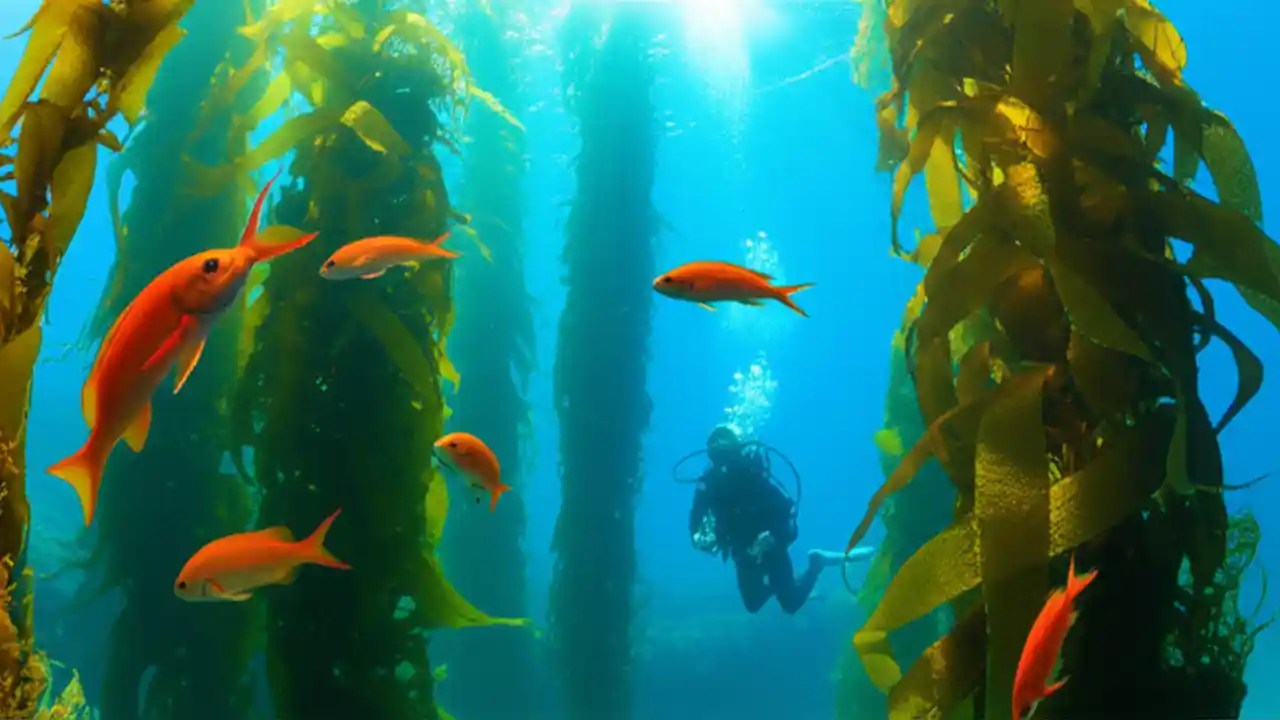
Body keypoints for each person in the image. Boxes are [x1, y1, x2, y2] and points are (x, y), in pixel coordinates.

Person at [688, 425, 852, 615]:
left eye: (724, 444)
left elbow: (786, 509)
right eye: (714, 447)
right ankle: (784, 585)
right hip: (743, 550)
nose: (723, 463)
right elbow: (695, 519)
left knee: (790, 604)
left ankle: (815, 564)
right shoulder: (708, 484)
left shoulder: (753, 475)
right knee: (753, 604)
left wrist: (772, 538)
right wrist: (698, 538)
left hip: (772, 546)